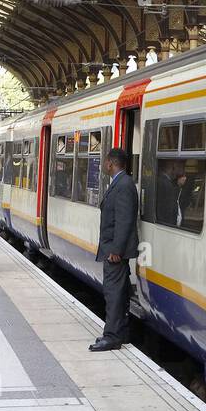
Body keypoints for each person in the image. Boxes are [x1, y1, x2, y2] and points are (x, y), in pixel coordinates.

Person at [91, 147, 139, 351]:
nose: (104, 165)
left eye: (105, 162)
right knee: (121, 291)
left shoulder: (124, 185)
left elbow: (125, 220)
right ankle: (122, 332)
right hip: (113, 248)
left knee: (113, 293)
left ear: (110, 163)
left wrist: (116, 250)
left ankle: (111, 336)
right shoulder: (121, 183)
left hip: (115, 251)